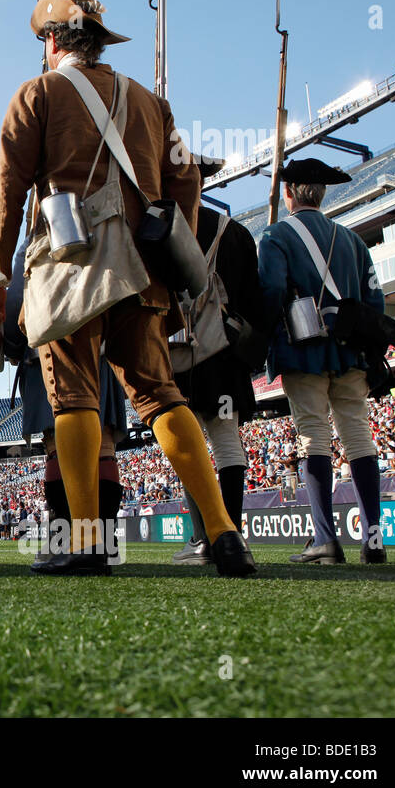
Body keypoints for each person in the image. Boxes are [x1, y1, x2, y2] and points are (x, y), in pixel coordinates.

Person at [0, 0, 255, 577]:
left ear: (52, 42)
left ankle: (85, 543)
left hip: (68, 264)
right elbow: (184, 183)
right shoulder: (157, 106)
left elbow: (7, 186)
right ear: (100, 42)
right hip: (142, 269)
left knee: (72, 395)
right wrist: (164, 246)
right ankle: (225, 535)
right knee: (160, 395)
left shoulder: (38, 93)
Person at [257, 157, 387, 564]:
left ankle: (325, 540)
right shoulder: (352, 240)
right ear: (323, 192)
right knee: (359, 437)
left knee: (313, 435)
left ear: (289, 192)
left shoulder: (276, 235)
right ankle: (373, 540)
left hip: (303, 348)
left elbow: (271, 291)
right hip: (351, 351)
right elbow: (375, 302)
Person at [3, 234, 129, 562]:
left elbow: (17, 293)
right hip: (104, 340)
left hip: (53, 336)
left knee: (58, 445)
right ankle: (105, 541)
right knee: (103, 446)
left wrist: (14, 343)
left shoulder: (39, 227)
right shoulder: (113, 211)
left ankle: (63, 540)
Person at [170, 156, 268, 564]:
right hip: (224, 356)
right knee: (227, 440)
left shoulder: (159, 230)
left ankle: (203, 538)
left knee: (189, 446)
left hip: (178, 356)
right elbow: (254, 306)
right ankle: (231, 535)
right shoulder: (236, 233)